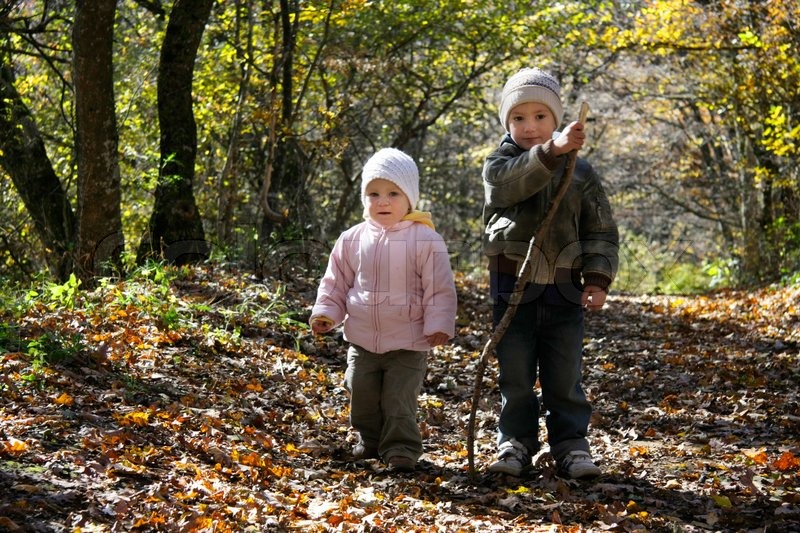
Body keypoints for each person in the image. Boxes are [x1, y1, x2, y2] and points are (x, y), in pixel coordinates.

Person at [481, 67, 619, 479]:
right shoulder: (499, 163)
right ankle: (515, 442)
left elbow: (600, 230)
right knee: (516, 375)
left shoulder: (580, 172)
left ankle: (571, 445)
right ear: (507, 122)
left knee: (564, 377)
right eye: (518, 118)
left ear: (556, 119)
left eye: (540, 116)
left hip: (563, 287)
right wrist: (549, 152)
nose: (529, 126)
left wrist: (596, 278)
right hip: (512, 287)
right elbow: (508, 186)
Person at [310, 147, 458, 473]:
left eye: (393, 193)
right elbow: (336, 282)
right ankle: (370, 441)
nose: (383, 201)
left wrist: (438, 324)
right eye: (373, 193)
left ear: (410, 198)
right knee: (360, 393)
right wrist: (326, 313)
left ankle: (401, 448)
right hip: (363, 340)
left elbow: (440, 288)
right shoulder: (352, 238)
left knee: (398, 400)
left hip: (408, 341)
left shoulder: (424, 239)